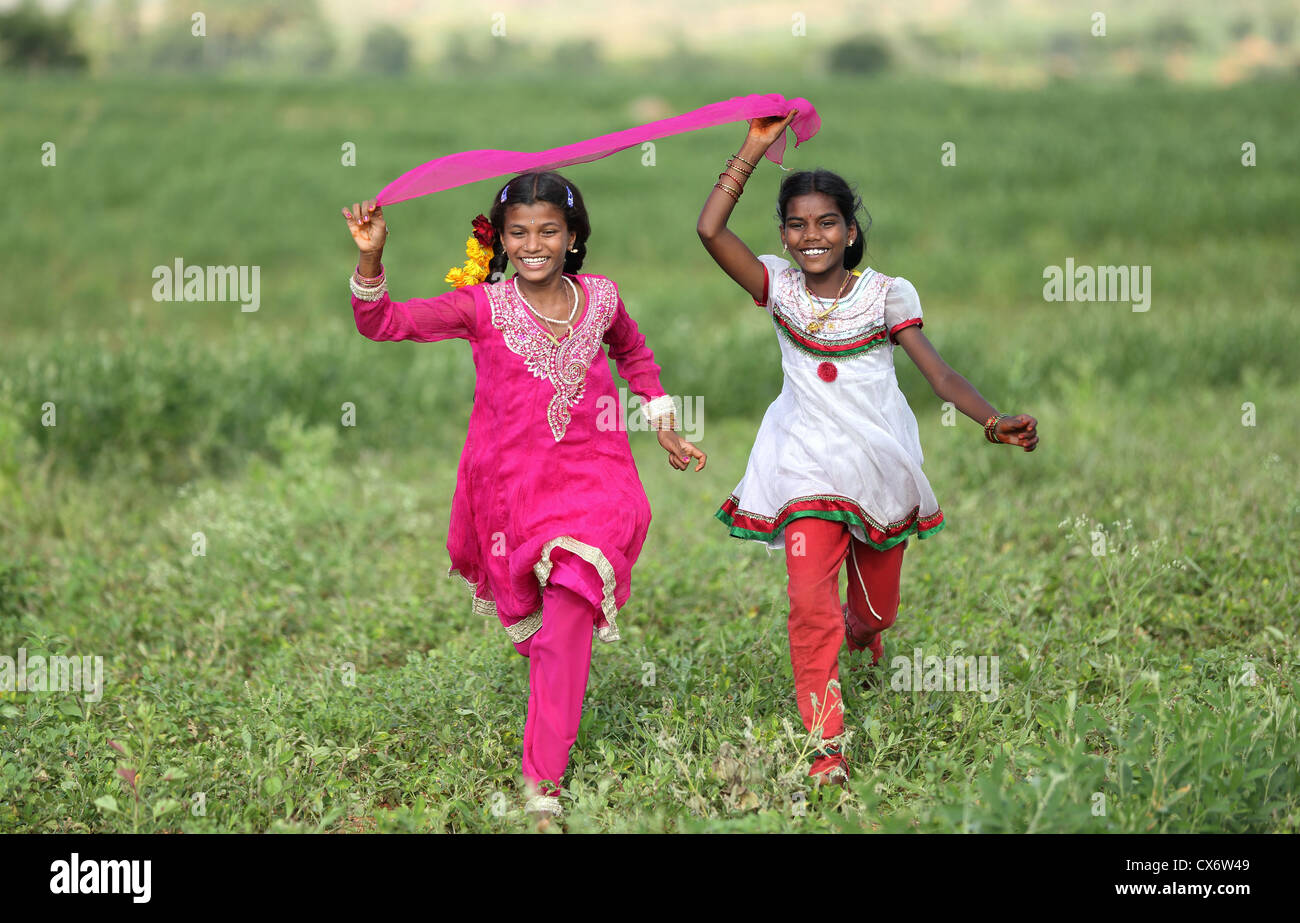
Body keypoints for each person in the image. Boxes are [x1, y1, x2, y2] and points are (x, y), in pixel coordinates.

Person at [342, 171, 706, 818]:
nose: (534, 244)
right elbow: (382, 322)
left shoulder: (602, 297)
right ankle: (551, 718)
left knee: (571, 598)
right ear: (501, 240)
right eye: (519, 233)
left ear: (573, 238)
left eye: (549, 231)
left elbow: (635, 352)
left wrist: (665, 424)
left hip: (599, 478)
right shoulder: (480, 308)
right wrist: (371, 256)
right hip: (515, 487)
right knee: (547, 638)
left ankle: (543, 785)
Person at [696, 112, 1038, 786]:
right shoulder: (778, 287)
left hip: (878, 467)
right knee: (807, 604)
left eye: (826, 222)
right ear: (784, 235)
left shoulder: (885, 294)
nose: (811, 235)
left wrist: (992, 420)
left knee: (876, 610)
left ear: (850, 230)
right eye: (796, 223)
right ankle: (827, 747)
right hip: (803, 466)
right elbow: (709, 230)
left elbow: (938, 374)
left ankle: (868, 631)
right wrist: (752, 148)